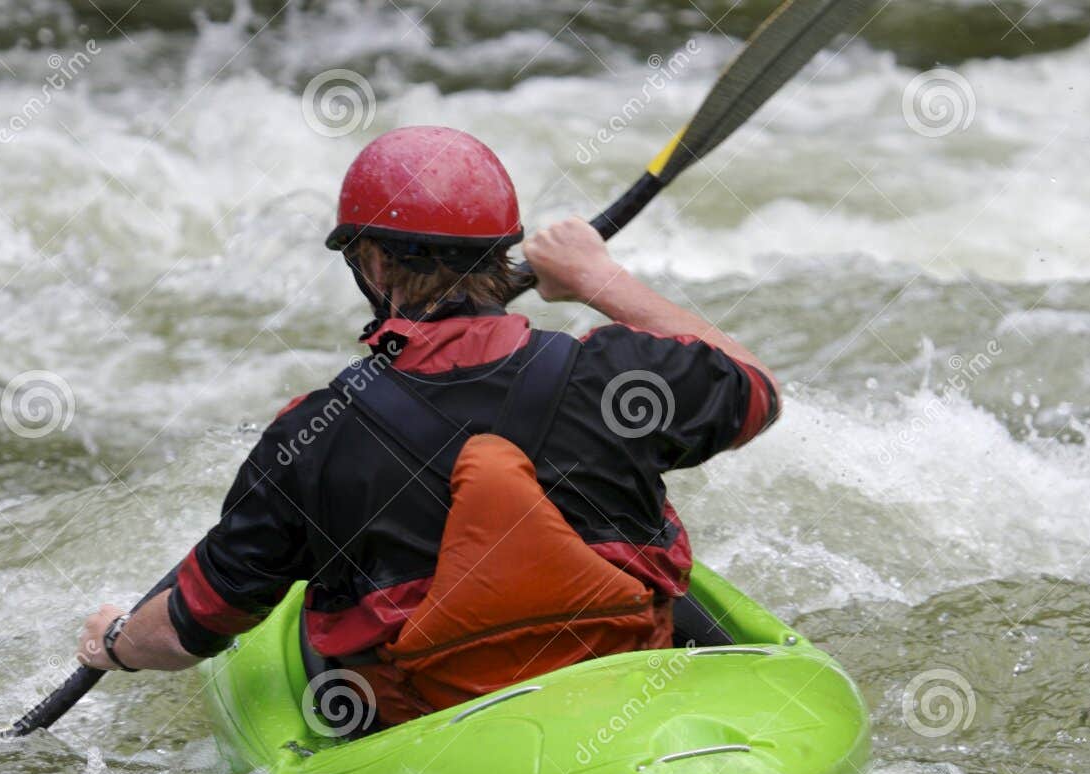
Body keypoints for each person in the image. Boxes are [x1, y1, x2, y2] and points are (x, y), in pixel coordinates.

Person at [77, 124, 779, 728]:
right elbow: (758, 389)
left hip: (435, 725)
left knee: (316, 611)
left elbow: (191, 627)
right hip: (626, 689)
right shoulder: (616, 372)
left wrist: (115, 642)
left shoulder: (311, 437)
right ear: (500, 257)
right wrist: (597, 277)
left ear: (375, 263)